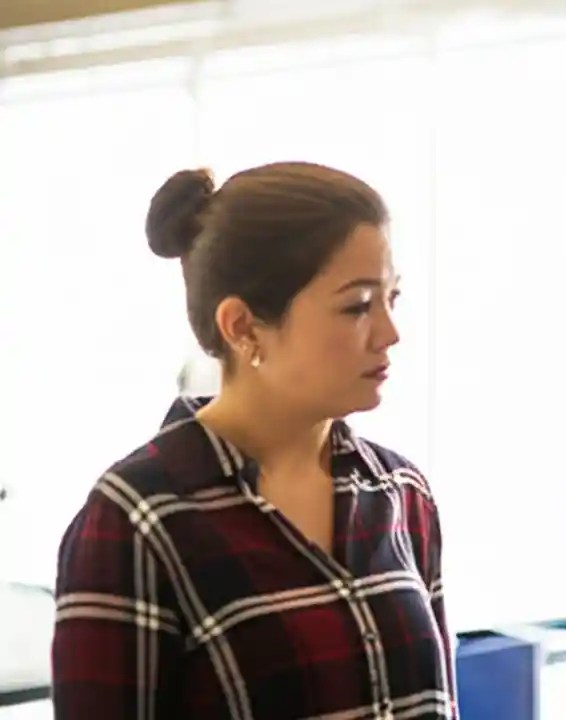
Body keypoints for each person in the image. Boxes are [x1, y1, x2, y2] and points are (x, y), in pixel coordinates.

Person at [51, 162, 456, 719]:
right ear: (242, 327)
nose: (390, 332)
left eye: (393, 298)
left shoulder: (401, 493)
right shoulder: (137, 521)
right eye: (358, 305)